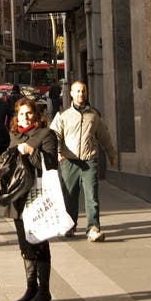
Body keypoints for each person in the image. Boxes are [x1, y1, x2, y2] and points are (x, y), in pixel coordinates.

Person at [7, 97, 58, 301]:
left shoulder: (46, 135)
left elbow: (51, 165)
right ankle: (31, 287)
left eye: (28, 113)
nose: (24, 117)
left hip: (37, 196)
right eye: (20, 114)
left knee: (38, 244)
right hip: (18, 198)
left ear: (36, 115)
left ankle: (44, 290)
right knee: (25, 245)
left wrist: (31, 151)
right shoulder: (15, 135)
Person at [50, 80, 117, 242]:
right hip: (69, 161)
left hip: (89, 161)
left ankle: (93, 228)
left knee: (91, 197)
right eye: (77, 91)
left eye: (83, 91)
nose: (81, 94)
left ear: (86, 93)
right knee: (69, 196)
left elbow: (104, 135)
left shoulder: (93, 115)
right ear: (71, 94)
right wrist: (58, 151)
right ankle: (69, 226)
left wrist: (111, 153)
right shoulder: (63, 115)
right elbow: (54, 135)